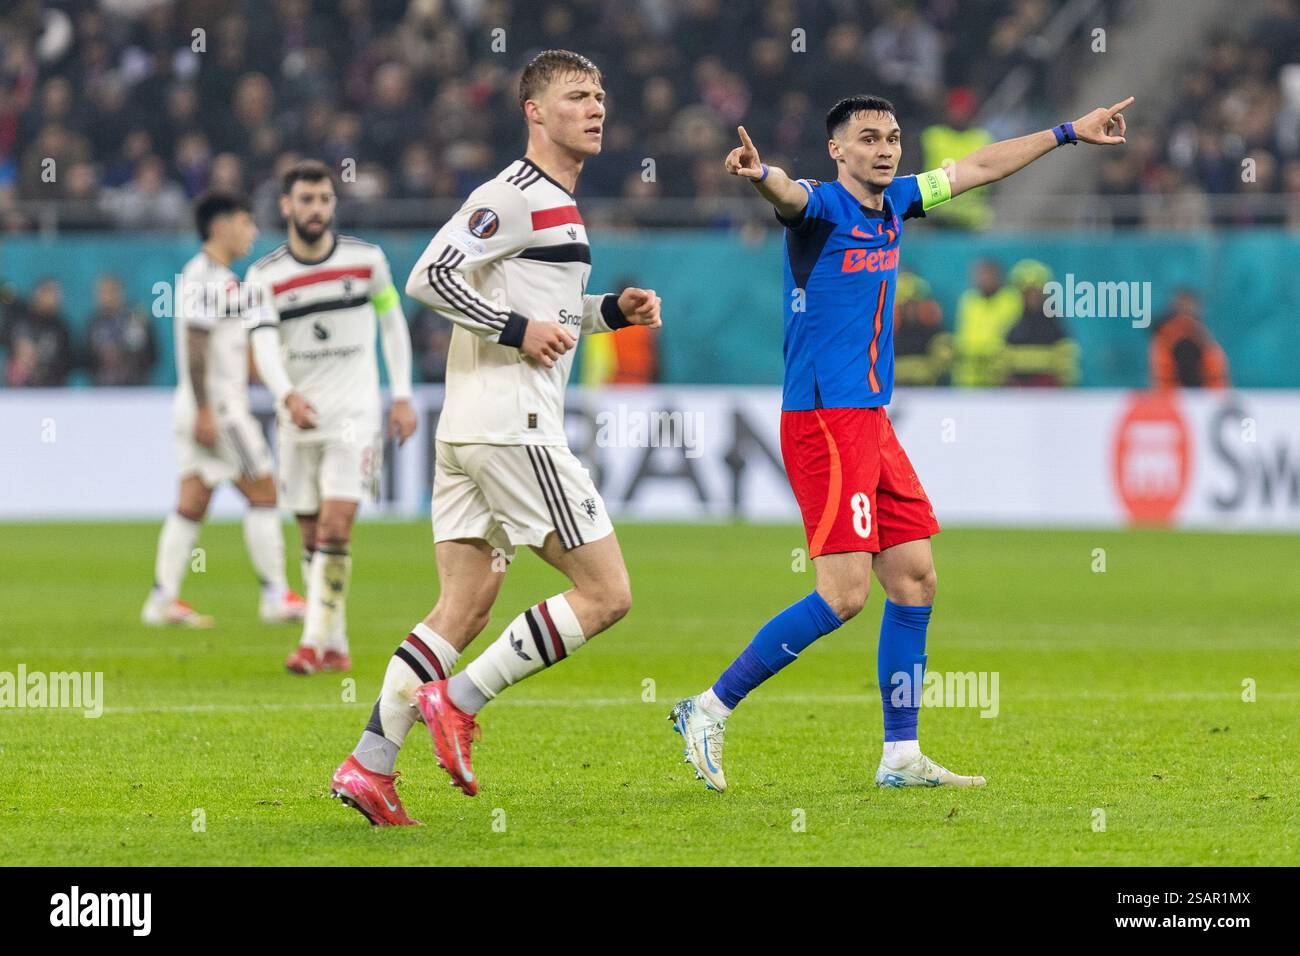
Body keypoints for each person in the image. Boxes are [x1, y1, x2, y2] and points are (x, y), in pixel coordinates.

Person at [671, 92, 1134, 792]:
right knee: (843, 596)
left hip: (871, 422)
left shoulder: (899, 203)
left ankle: (900, 755)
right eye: (867, 138)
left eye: (891, 137)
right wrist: (759, 173)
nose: (884, 148)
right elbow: (789, 197)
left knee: (915, 579)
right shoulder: (822, 208)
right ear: (838, 151)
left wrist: (1069, 131)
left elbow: (979, 166)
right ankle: (708, 707)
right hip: (826, 420)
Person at [329, 50, 662, 826]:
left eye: (601, 94)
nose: (596, 106)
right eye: (577, 94)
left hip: (472, 427)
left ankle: (370, 766)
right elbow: (430, 278)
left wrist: (609, 310)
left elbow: (547, 309)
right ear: (534, 111)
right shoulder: (513, 195)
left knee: (463, 607)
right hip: (515, 426)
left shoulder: (560, 207)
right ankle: (462, 700)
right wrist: (518, 328)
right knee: (607, 593)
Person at [246, 161, 418, 674]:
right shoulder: (264, 276)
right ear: (286, 207)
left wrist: (403, 394)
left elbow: (392, 324)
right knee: (309, 532)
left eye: (323, 199)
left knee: (337, 526)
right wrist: (286, 395)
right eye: (306, 200)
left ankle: (311, 641)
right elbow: (262, 343)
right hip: (298, 418)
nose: (316, 209)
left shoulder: (368, 262)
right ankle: (336, 642)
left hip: (354, 415)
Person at [141, 193, 305, 629]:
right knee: (266, 492)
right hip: (218, 409)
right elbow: (195, 345)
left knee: (192, 500)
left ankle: (162, 598)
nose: (252, 232)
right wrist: (205, 410)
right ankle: (275, 596)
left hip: (200, 406)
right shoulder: (204, 278)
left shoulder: (221, 280)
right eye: (246, 223)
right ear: (221, 226)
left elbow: (230, 345)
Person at [1002, 259, 1080, 388]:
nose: (1032, 297)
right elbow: (1003, 362)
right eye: (1027, 292)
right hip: (1017, 394)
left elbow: (1067, 367)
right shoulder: (1013, 323)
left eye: (1036, 291)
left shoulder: (1054, 325)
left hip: (1048, 395)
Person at [952, 258, 1020, 387]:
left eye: (989, 274)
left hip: (999, 374)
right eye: (981, 274)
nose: (984, 279)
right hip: (968, 375)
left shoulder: (1011, 299)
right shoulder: (968, 300)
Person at [86, 275, 157, 386]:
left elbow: (152, 353)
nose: (107, 296)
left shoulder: (136, 319)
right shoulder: (94, 323)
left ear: (120, 292)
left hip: (135, 387)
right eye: (103, 292)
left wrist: (124, 355)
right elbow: (84, 357)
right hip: (102, 389)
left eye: (111, 291)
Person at [1150, 289, 1229, 389]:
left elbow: (1215, 370)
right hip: (1177, 395)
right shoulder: (1166, 336)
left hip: (1199, 395)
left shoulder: (1199, 334)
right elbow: (1163, 372)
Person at [2, 279, 74, 388]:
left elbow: (67, 361)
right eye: (51, 293)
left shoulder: (60, 326)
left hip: (50, 391)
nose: (56, 298)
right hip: (17, 391)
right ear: (38, 294)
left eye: (57, 294)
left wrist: (40, 365)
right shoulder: (19, 316)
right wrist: (19, 347)